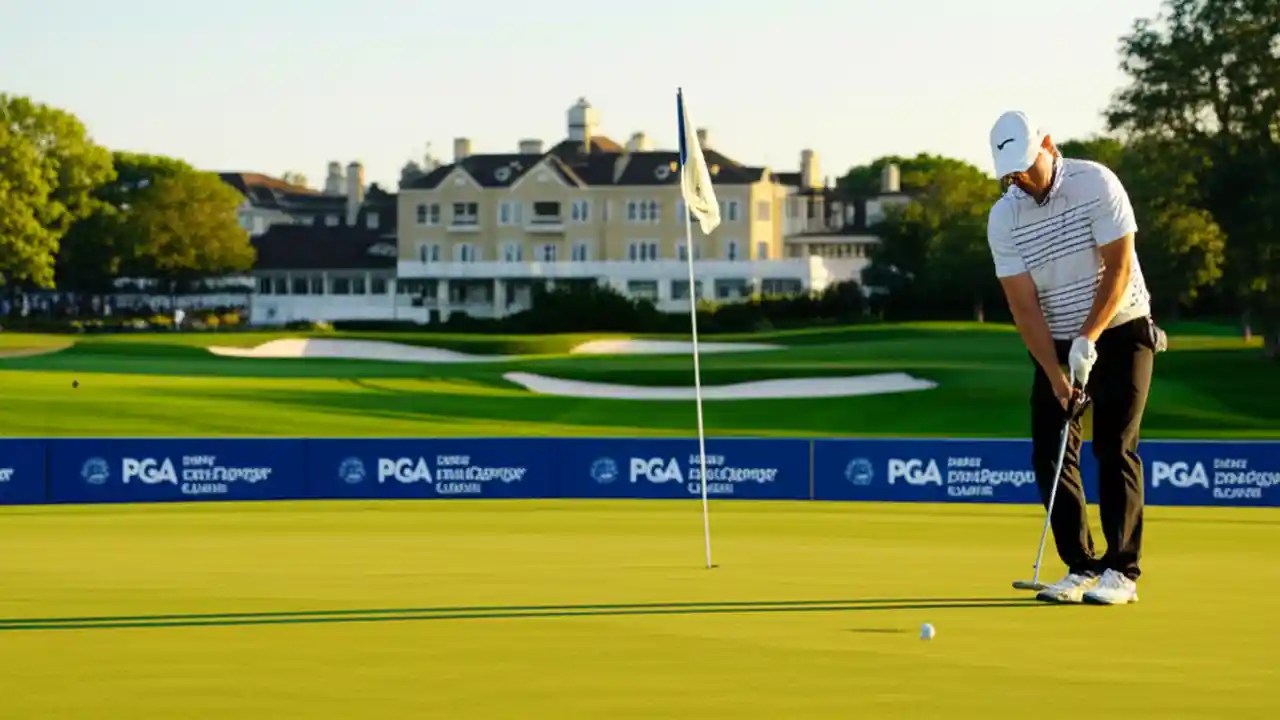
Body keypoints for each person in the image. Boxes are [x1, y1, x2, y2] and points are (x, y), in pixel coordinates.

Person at [985, 110, 1163, 605]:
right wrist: (1056, 373)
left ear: (1047, 143)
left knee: (1114, 445)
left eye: (1025, 166)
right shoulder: (1005, 217)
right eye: (1010, 173)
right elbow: (1023, 305)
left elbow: (1119, 267)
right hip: (1057, 338)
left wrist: (1091, 335)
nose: (1020, 179)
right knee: (1051, 451)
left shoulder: (1096, 182)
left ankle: (1122, 572)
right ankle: (1080, 565)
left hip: (1123, 327)